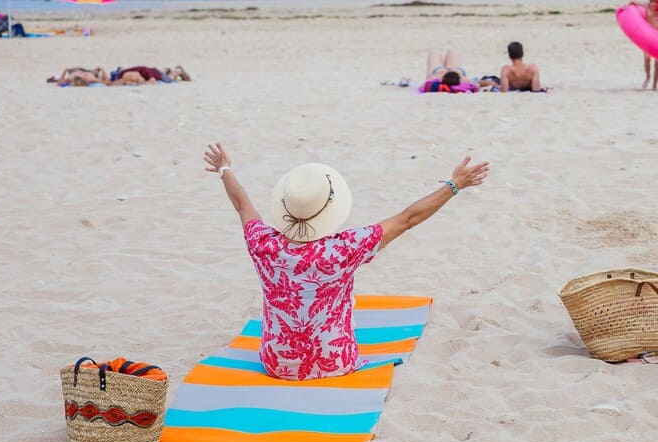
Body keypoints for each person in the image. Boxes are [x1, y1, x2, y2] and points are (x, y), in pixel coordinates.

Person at [201, 142, 490, 381]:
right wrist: (454, 185)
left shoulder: (263, 243)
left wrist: (224, 168)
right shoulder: (343, 249)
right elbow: (407, 220)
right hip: (335, 363)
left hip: (278, 366)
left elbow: (242, 204)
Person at [628, 0, 658, 89]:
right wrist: (629, 4)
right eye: (651, 1)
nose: (653, 4)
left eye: (656, 2)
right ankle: (648, 76)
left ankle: (655, 84)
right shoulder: (646, 6)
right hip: (648, 38)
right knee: (647, 58)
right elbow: (634, 3)